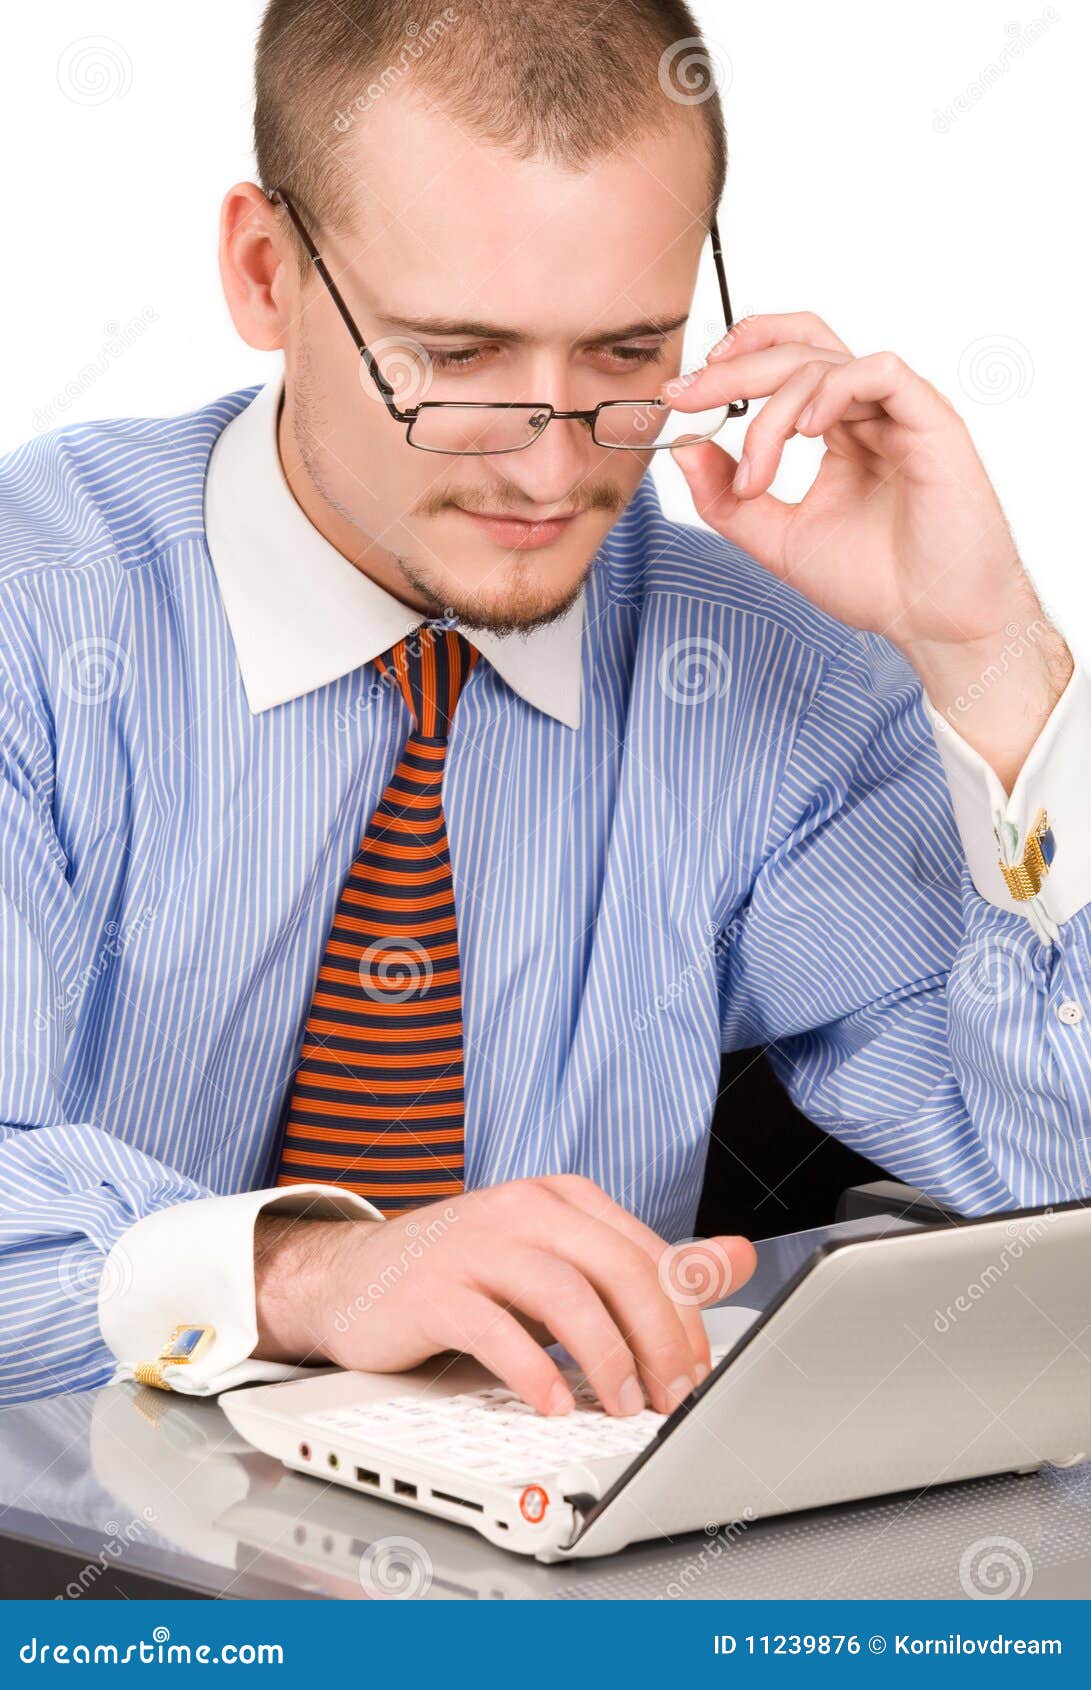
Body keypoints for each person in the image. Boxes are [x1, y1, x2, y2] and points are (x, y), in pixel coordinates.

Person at [1, 0, 1087, 1416]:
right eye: (456, 360)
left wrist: (993, 659)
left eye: (628, 357)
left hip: (568, 1596)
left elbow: (1049, 1206)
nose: (549, 468)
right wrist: (309, 1275)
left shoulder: (776, 675)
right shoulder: (38, 619)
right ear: (265, 273)